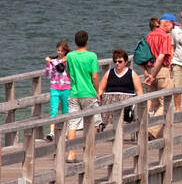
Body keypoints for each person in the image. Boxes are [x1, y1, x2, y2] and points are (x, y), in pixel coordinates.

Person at [64, 30, 101, 158]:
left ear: (75, 42)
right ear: (87, 41)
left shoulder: (70, 56)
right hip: (89, 92)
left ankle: (71, 153)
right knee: (93, 121)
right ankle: (90, 151)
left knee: (73, 123)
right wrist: (98, 91)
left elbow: (68, 73)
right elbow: (95, 76)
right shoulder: (92, 56)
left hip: (74, 93)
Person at [97, 48, 143, 129]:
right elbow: (101, 89)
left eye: (120, 61)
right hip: (109, 101)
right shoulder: (109, 73)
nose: (117, 63)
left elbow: (139, 91)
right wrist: (99, 97)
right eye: (115, 61)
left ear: (125, 62)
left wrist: (140, 104)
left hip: (126, 102)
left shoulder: (132, 74)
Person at [143, 16, 175, 118]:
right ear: (166, 23)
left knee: (155, 103)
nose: (172, 28)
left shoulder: (148, 36)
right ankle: (152, 130)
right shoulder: (165, 37)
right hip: (161, 71)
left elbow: (142, 55)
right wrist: (153, 75)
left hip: (149, 70)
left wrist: (146, 71)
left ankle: (154, 132)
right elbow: (161, 57)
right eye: (172, 25)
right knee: (166, 103)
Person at [43, 40, 71, 140]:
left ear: (65, 51)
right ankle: (52, 132)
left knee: (65, 110)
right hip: (54, 88)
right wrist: (48, 64)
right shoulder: (52, 61)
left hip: (66, 88)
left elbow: (71, 72)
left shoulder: (69, 60)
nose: (59, 52)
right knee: (53, 110)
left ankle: (65, 132)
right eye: (58, 50)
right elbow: (48, 75)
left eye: (62, 51)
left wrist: (65, 61)